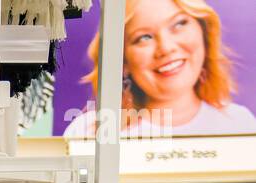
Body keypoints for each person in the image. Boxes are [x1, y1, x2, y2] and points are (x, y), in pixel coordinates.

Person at [64, 0, 256, 138]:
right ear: (122, 62)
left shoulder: (240, 125)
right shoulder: (89, 132)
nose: (166, 48)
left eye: (179, 24)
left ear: (204, 32)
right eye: (144, 37)